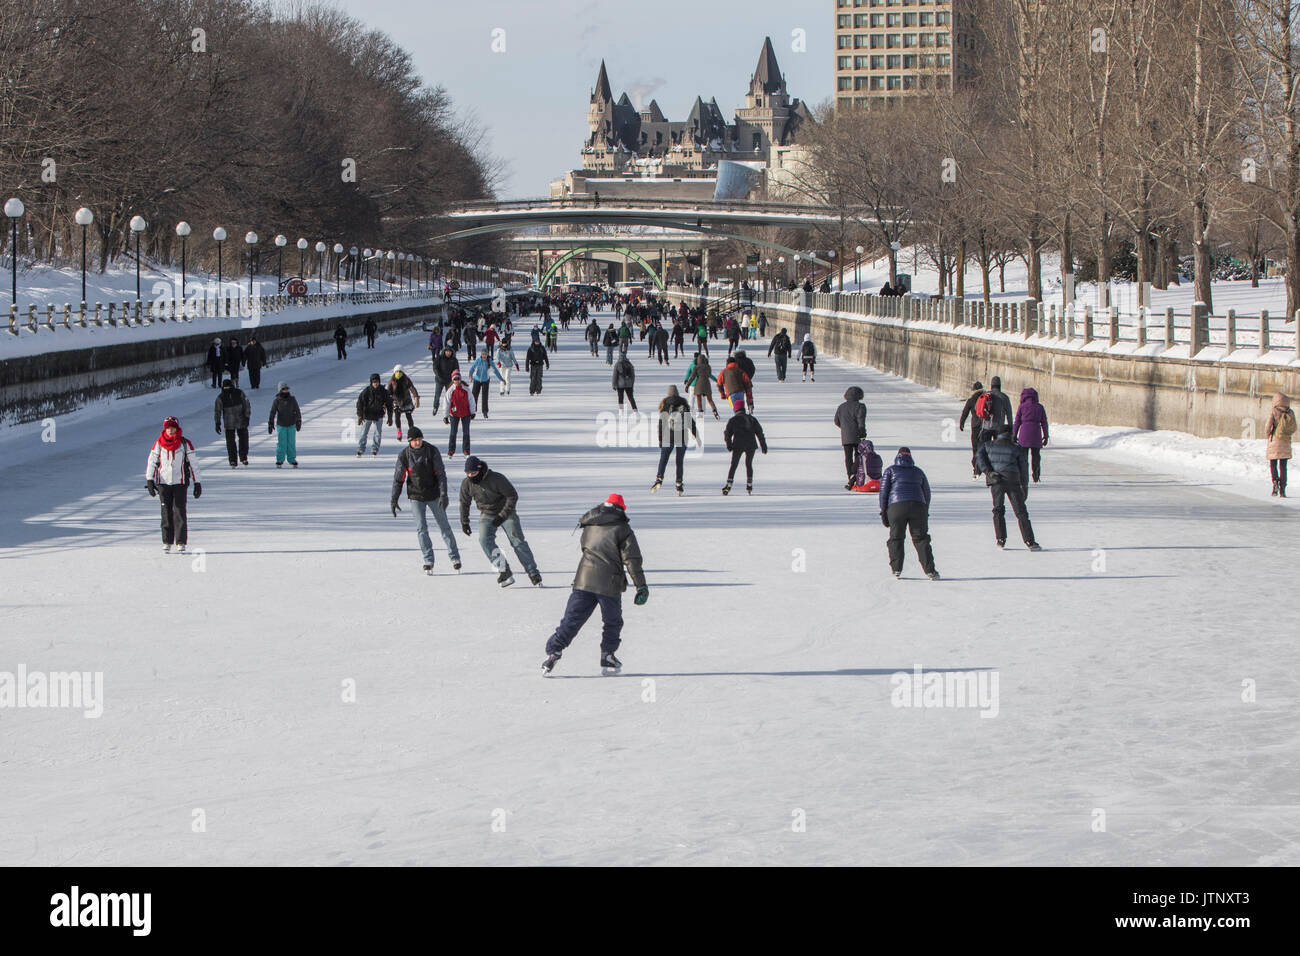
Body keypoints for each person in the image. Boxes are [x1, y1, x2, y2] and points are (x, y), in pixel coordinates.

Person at [542, 493, 647, 675]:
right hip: (609, 583)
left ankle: (553, 651)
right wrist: (641, 586)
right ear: (620, 509)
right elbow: (632, 560)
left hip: (583, 580)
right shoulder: (622, 528)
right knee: (612, 621)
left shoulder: (589, 524)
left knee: (572, 619)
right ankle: (608, 654)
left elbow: (585, 547)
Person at [459, 455, 541, 588]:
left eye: (473, 472)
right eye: (468, 473)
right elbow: (464, 503)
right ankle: (504, 571)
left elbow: (512, 496)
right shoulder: (467, 483)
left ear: (480, 470)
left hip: (506, 512)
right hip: (487, 513)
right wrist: (464, 522)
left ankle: (533, 573)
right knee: (484, 540)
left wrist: (502, 515)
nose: (471, 475)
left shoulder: (496, 478)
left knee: (517, 541)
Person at [391, 426, 461, 574]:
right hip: (416, 496)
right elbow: (399, 479)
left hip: (434, 495)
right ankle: (428, 559)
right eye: (414, 440)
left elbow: (441, 474)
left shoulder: (431, 451)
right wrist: (394, 499)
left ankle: (454, 557)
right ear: (409, 441)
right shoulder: (404, 455)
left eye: (419, 439)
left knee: (444, 526)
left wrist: (444, 494)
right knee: (421, 529)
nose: (417, 443)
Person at [975, 425, 1041, 551]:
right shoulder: (1016, 448)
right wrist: (1024, 487)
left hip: (996, 481)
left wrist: (988, 472)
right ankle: (1030, 541)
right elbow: (1024, 469)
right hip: (1013, 480)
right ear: (1010, 434)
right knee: (1021, 512)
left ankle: (1000, 540)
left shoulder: (988, 445)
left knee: (998, 510)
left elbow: (979, 457)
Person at [878, 447, 939, 580]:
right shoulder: (918, 472)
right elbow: (927, 493)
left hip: (896, 506)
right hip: (918, 506)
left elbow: (883, 493)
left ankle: (896, 569)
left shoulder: (890, 470)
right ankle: (930, 571)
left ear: (897, 457)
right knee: (921, 538)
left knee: (896, 538)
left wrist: (884, 512)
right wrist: (925, 510)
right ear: (910, 457)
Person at [146, 416, 202, 554]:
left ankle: (181, 541)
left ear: (177, 428)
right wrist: (150, 480)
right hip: (163, 483)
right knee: (166, 512)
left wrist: (197, 482)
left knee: (179, 511)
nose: (170, 430)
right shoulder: (158, 444)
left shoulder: (185, 444)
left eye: (173, 427)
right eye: (168, 428)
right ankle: (166, 541)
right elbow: (152, 461)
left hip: (180, 482)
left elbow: (194, 464)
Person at [651, 385, 699, 495]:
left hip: (667, 437)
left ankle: (659, 478)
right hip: (682, 436)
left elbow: (661, 424)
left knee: (663, 459)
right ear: (677, 393)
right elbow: (689, 421)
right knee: (679, 461)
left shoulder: (665, 405)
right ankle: (679, 483)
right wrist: (695, 433)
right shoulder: (684, 404)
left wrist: (660, 439)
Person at [722, 407, 767, 495]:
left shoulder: (733, 420)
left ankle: (729, 484)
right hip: (751, 445)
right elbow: (759, 433)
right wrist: (763, 446)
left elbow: (727, 434)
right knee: (749, 464)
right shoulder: (752, 419)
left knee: (734, 464)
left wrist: (729, 445)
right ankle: (749, 484)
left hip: (738, 445)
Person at [1013, 386, 1050, 483]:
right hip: (1036, 433)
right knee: (1036, 456)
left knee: (1023, 456)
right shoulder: (1040, 407)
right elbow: (1044, 422)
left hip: (1024, 434)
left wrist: (1014, 434)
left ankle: (1023, 475)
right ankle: (1036, 474)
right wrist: (1046, 436)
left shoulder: (1022, 407)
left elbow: (1017, 422)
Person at [834, 386, 867, 490]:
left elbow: (836, 421)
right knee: (859, 456)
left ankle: (850, 477)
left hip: (846, 435)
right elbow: (861, 421)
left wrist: (844, 428)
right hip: (858, 435)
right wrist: (862, 432)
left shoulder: (841, 407)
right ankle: (854, 476)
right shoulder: (860, 406)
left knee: (848, 457)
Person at [213, 379, 251, 468]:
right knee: (230, 443)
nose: (227, 388)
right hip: (229, 423)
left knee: (244, 440)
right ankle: (233, 460)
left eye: (228, 387)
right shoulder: (220, 397)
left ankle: (243, 456)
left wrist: (247, 416)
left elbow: (247, 405)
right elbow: (217, 411)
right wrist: (217, 423)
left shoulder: (239, 393)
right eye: (225, 387)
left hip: (241, 421)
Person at [356, 373, 393, 457]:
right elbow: (359, 403)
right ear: (371, 382)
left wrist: (390, 417)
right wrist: (360, 415)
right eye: (374, 382)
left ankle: (374, 449)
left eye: (377, 382)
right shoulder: (367, 391)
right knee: (363, 433)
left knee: (377, 433)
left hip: (378, 415)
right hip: (367, 415)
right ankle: (360, 449)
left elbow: (389, 404)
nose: (375, 383)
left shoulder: (383, 392)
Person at [1266, 391, 1295, 497]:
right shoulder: (1290, 412)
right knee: (1283, 466)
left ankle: (1275, 483)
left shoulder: (1274, 411)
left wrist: (1268, 435)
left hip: (1275, 440)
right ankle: (1283, 489)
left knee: (1273, 464)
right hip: (1286, 441)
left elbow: (1268, 426)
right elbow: (1294, 427)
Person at [268, 381, 302, 468]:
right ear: (280, 390)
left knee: (291, 443)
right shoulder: (277, 400)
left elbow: (297, 410)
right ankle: (280, 459)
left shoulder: (292, 399)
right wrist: (270, 422)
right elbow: (273, 412)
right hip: (281, 425)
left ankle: (291, 459)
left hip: (291, 424)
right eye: (284, 389)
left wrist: (298, 420)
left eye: (287, 389)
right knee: (281, 443)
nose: (286, 390)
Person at [442, 372, 475, 457]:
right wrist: (445, 416)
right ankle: (451, 450)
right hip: (454, 414)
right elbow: (446, 403)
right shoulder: (450, 391)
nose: (457, 380)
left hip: (465, 413)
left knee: (466, 432)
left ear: (460, 379)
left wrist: (472, 412)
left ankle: (466, 450)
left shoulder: (466, 389)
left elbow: (471, 401)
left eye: (458, 379)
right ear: (452, 380)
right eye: (455, 379)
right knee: (453, 432)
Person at [958, 381, 987, 478]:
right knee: (984, 447)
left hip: (975, 426)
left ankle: (976, 469)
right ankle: (984, 467)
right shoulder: (986, 398)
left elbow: (965, 412)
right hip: (985, 425)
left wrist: (961, 423)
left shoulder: (971, 400)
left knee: (975, 448)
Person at [468, 348, 504, 419]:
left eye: (485, 354)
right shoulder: (478, 360)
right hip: (477, 380)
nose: (484, 356)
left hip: (485, 381)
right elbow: (472, 368)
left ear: (487, 355)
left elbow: (495, 371)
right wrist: (470, 375)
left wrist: (501, 379)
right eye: (483, 354)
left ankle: (485, 412)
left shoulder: (489, 361)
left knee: (485, 397)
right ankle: (472, 412)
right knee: (474, 396)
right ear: (481, 355)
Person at [388, 365, 420, 441]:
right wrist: (387, 402)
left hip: (406, 401)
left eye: (400, 371)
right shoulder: (392, 381)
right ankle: (399, 431)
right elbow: (389, 392)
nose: (398, 373)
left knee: (409, 417)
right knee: (397, 417)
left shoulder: (406, 380)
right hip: (396, 401)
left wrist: (416, 397)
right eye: (397, 371)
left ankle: (412, 432)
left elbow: (412, 388)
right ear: (394, 372)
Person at [684, 351, 719, 420]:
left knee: (694, 399)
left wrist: (687, 382)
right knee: (708, 399)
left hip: (695, 385)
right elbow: (710, 375)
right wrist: (717, 380)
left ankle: (692, 412)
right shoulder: (707, 366)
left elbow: (690, 375)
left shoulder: (693, 366)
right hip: (706, 385)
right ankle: (711, 411)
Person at [977, 376, 1014, 441]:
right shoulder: (1004, 397)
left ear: (991, 385)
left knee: (985, 448)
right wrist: (1010, 427)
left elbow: (978, 408)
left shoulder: (986, 395)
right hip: (999, 427)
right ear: (1000, 386)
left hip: (986, 426)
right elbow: (1009, 413)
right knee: (997, 449)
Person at [431, 346, 460, 413]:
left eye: (449, 352)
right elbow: (435, 367)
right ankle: (435, 407)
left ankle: (451, 408)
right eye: (447, 351)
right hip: (439, 380)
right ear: (444, 352)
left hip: (449, 381)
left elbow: (456, 370)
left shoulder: (454, 360)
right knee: (437, 395)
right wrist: (439, 376)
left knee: (450, 395)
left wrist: (455, 378)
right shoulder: (439, 358)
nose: (448, 353)